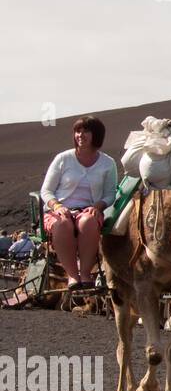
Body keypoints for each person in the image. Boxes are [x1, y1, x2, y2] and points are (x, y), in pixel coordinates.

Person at [39, 116, 118, 288]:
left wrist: (98, 206)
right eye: (78, 131)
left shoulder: (108, 163)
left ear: (96, 135)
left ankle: (85, 273)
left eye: (86, 131)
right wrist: (57, 206)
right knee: (62, 224)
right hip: (58, 209)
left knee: (88, 221)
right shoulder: (63, 159)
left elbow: (110, 194)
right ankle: (72, 276)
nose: (80, 135)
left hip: (88, 209)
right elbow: (46, 191)